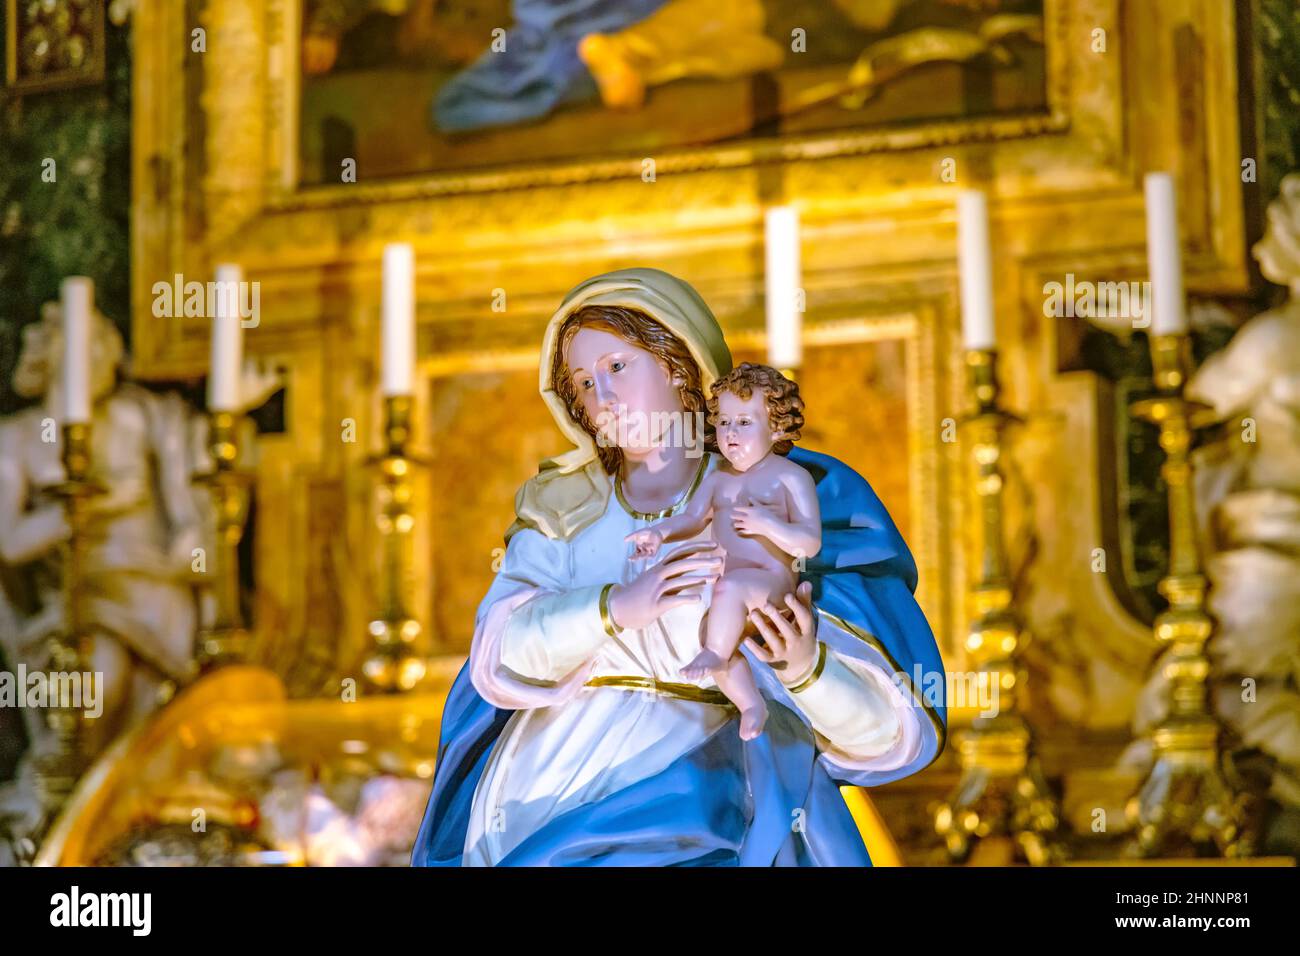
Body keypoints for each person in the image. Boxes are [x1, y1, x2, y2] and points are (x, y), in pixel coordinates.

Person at [410, 267, 946, 866]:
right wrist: (614, 608)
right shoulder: (562, 508)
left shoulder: (774, 491)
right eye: (584, 383)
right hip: (544, 794)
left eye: (617, 366)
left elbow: (886, 732)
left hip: (711, 794)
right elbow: (498, 657)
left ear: (676, 361)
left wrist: (805, 669)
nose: (602, 397)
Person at [627, 363, 821, 741]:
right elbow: (692, 519)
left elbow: (809, 543)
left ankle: (717, 657)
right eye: (725, 422)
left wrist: (768, 525)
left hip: (771, 588)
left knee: (725, 606)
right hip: (729, 593)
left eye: (745, 423)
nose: (731, 433)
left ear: (777, 426)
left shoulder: (789, 477)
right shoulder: (718, 479)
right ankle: (750, 703)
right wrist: (658, 533)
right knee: (710, 635)